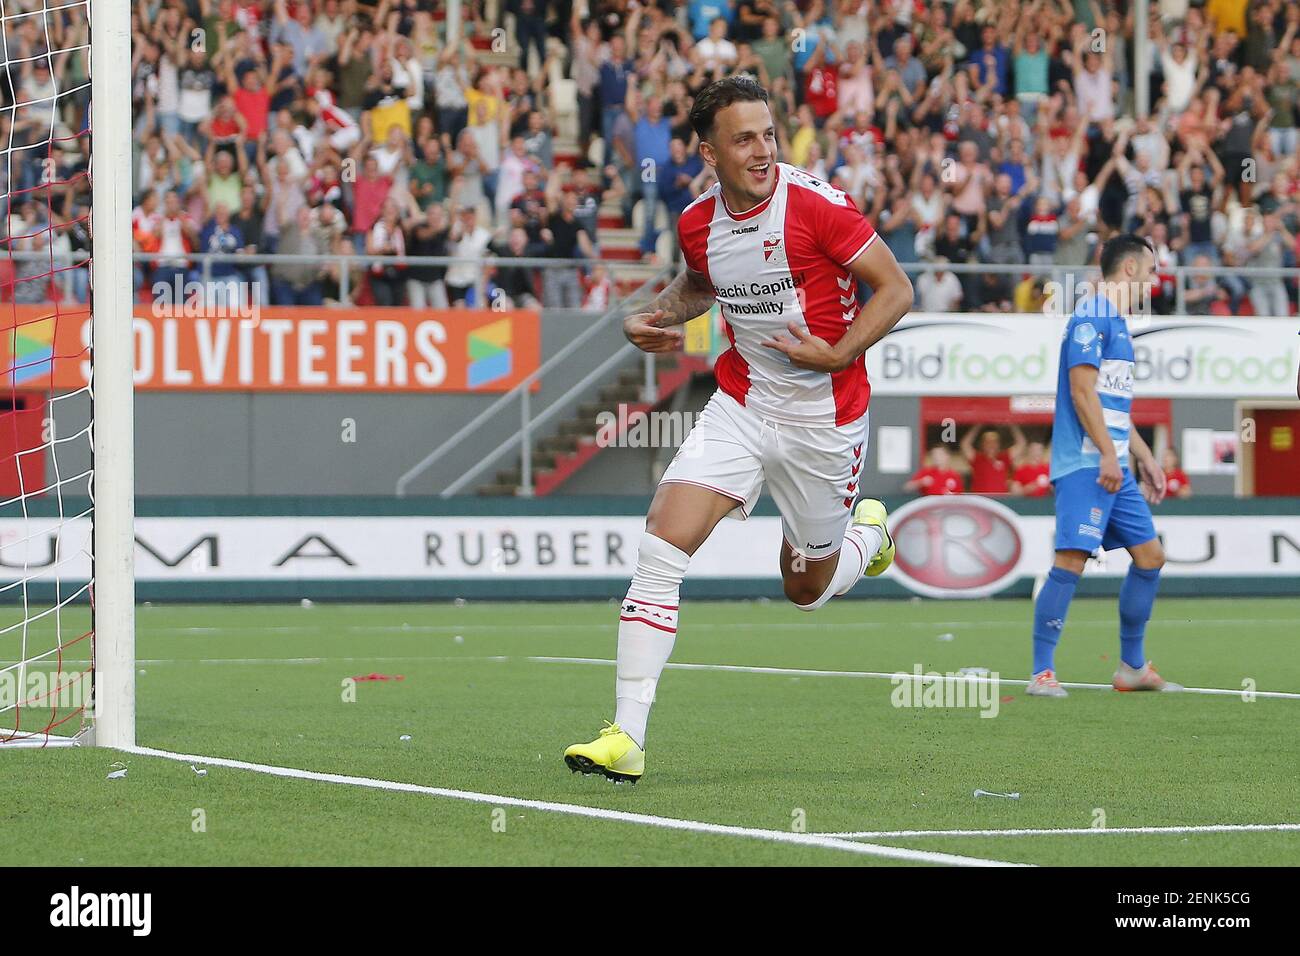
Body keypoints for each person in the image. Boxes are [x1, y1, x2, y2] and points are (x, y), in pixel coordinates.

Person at [564, 76, 913, 782]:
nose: (762, 151)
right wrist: (656, 316)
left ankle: (869, 536)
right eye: (744, 139)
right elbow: (700, 283)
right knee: (662, 543)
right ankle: (626, 737)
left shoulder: (817, 206)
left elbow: (897, 287)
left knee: (805, 590)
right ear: (709, 154)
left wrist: (841, 351)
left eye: (768, 135)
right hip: (743, 406)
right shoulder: (698, 221)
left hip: (825, 422)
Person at [1027, 234, 1183, 699]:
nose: (1154, 281)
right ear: (1131, 269)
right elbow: (1081, 393)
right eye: (1151, 271)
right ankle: (1041, 672)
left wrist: (1145, 456)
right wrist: (1111, 456)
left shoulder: (1115, 323)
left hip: (1114, 464)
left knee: (1151, 556)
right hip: (1086, 465)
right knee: (1071, 560)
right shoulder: (1091, 316)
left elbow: (1111, 407)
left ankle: (1132, 668)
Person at [959, 423, 1025, 494]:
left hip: (1001, 500)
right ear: (982, 445)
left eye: (994, 442)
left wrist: (1012, 424)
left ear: (999, 445)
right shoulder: (977, 458)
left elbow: (1021, 444)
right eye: (988, 442)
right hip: (981, 499)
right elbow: (964, 444)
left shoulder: (1004, 457)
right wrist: (978, 425)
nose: (991, 445)